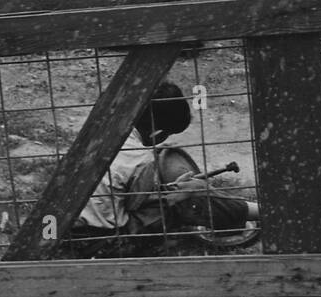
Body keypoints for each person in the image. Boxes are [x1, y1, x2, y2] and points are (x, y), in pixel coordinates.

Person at [73, 81, 257, 253]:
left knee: (178, 192)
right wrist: (174, 191)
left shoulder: (96, 128)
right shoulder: (141, 158)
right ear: (157, 133)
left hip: (68, 224)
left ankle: (242, 210)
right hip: (104, 242)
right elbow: (135, 204)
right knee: (189, 194)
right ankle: (258, 212)